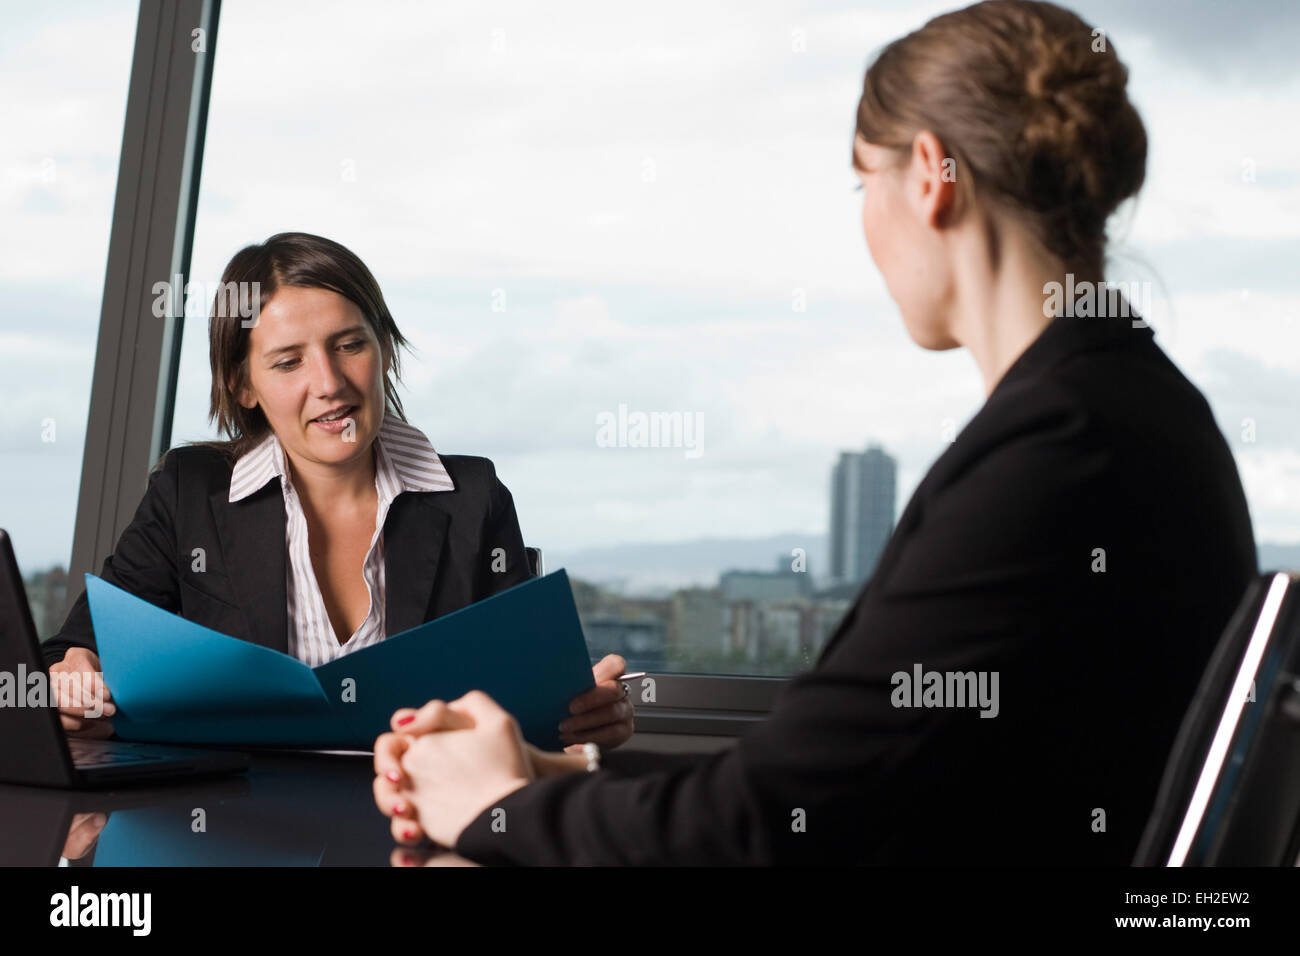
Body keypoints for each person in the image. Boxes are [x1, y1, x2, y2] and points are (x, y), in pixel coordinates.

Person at [370, 0, 1258, 865]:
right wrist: (554, 770)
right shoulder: (1126, 412)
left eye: (862, 181)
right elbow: (831, 778)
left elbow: (768, 825)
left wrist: (496, 811)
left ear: (929, 175)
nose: (865, 217)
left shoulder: (1059, 452)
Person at [42, 232, 634, 751]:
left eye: (349, 345)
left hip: (420, 823)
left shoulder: (471, 496)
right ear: (242, 385)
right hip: (237, 830)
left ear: (385, 350)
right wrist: (73, 683)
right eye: (288, 361)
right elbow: (67, 656)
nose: (328, 384)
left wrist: (583, 717)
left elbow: (525, 695)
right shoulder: (188, 492)